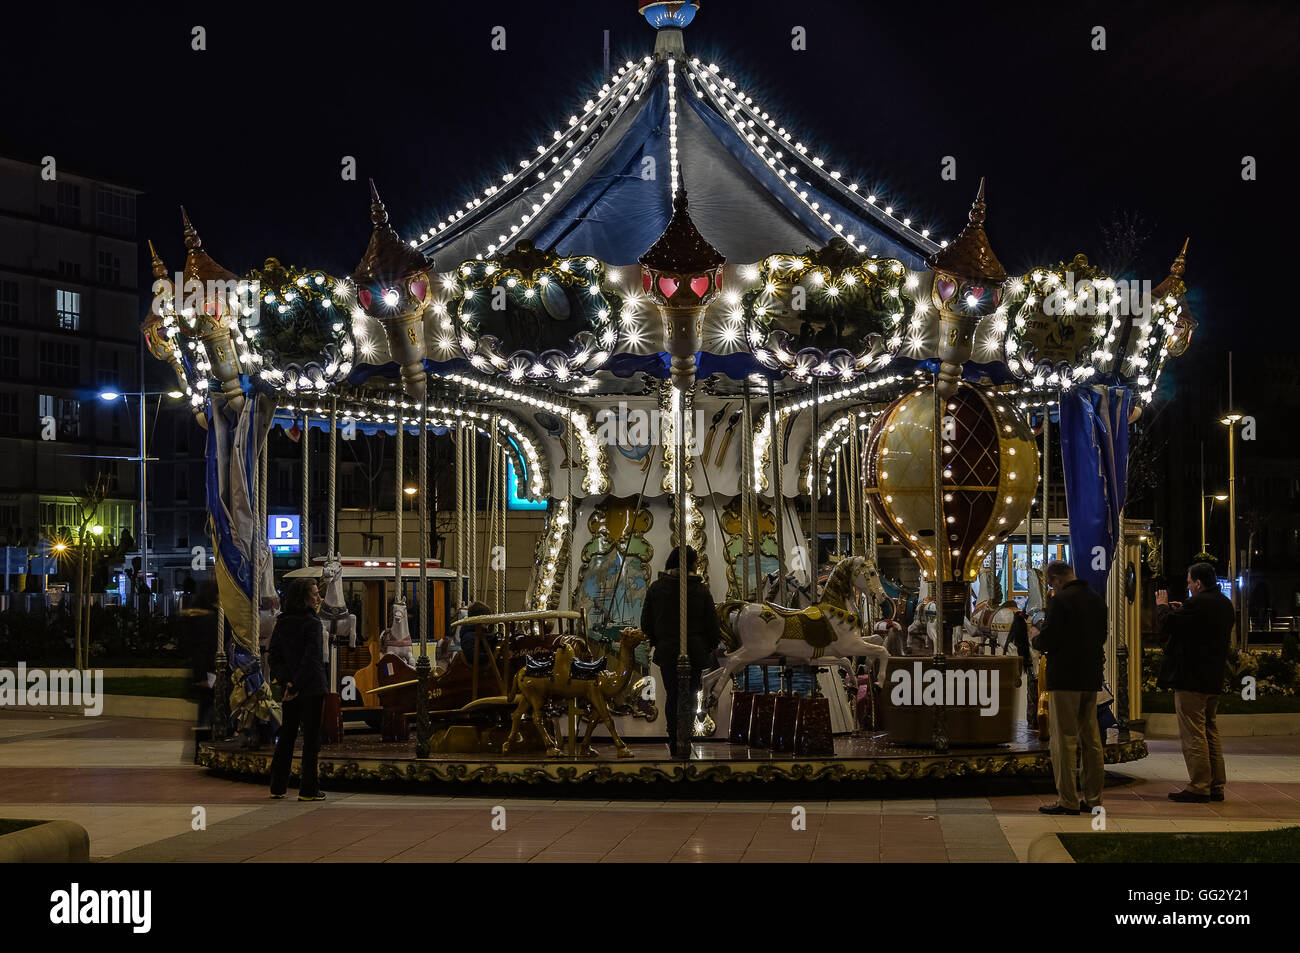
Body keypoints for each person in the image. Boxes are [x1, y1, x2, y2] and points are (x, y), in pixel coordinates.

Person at [1030, 561, 1107, 815]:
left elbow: (1049, 639)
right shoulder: (1096, 599)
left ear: (1056, 579)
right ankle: (1094, 798)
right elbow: (1102, 636)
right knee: (1091, 739)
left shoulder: (1061, 602)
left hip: (1064, 678)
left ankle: (1068, 800)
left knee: (1063, 739)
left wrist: (1035, 637)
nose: (1052, 588)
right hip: (1090, 677)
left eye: (1051, 584)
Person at [1156, 562, 1234, 803]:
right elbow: (1195, 626)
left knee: (1194, 733)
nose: (1188, 586)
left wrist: (1162, 608)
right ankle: (1216, 784)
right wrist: (1180, 610)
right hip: (1213, 678)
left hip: (1192, 678)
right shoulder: (1223, 604)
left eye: (1189, 582)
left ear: (1198, 583)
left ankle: (1199, 785)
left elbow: (1169, 626)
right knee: (1210, 730)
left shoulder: (1199, 603)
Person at [640, 545, 720, 758]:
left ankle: (673, 738)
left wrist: (659, 641)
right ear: (690, 563)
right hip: (694, 651)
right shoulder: (700, 590)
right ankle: (687, 737)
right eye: (695, 561)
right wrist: (711, 645)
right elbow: (712, 624)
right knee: (691, 695)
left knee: (672, 695)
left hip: (667, 651)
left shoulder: (656, 588)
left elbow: (646, 622)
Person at [268, 578, 329, 801]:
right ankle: (309, 788)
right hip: (311, 687)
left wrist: (287, 682)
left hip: (289, 688)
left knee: (287, 735)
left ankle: (278, 785)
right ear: (303, 598)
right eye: (315, 594)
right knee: (311, 739)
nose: (319, 598)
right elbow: (311, 657)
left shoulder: (282, 622)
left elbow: (274, 655)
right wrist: (298, 684)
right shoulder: (312, 623)